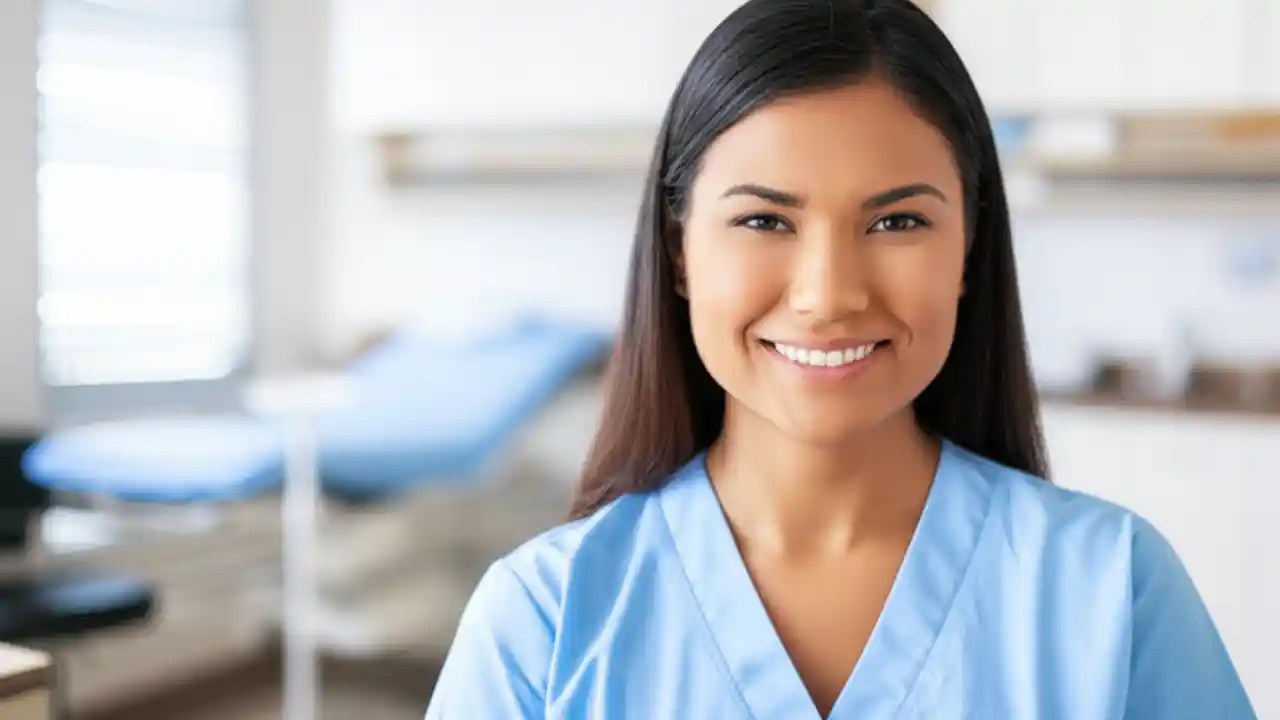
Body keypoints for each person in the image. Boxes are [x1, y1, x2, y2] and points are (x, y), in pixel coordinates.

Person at [424, 0, 1256, 717]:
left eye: (896, 223)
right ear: (679, 251)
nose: (828, 295)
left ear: (969, 250)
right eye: (764, 221)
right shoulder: (546, 621)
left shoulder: (1113, 592)